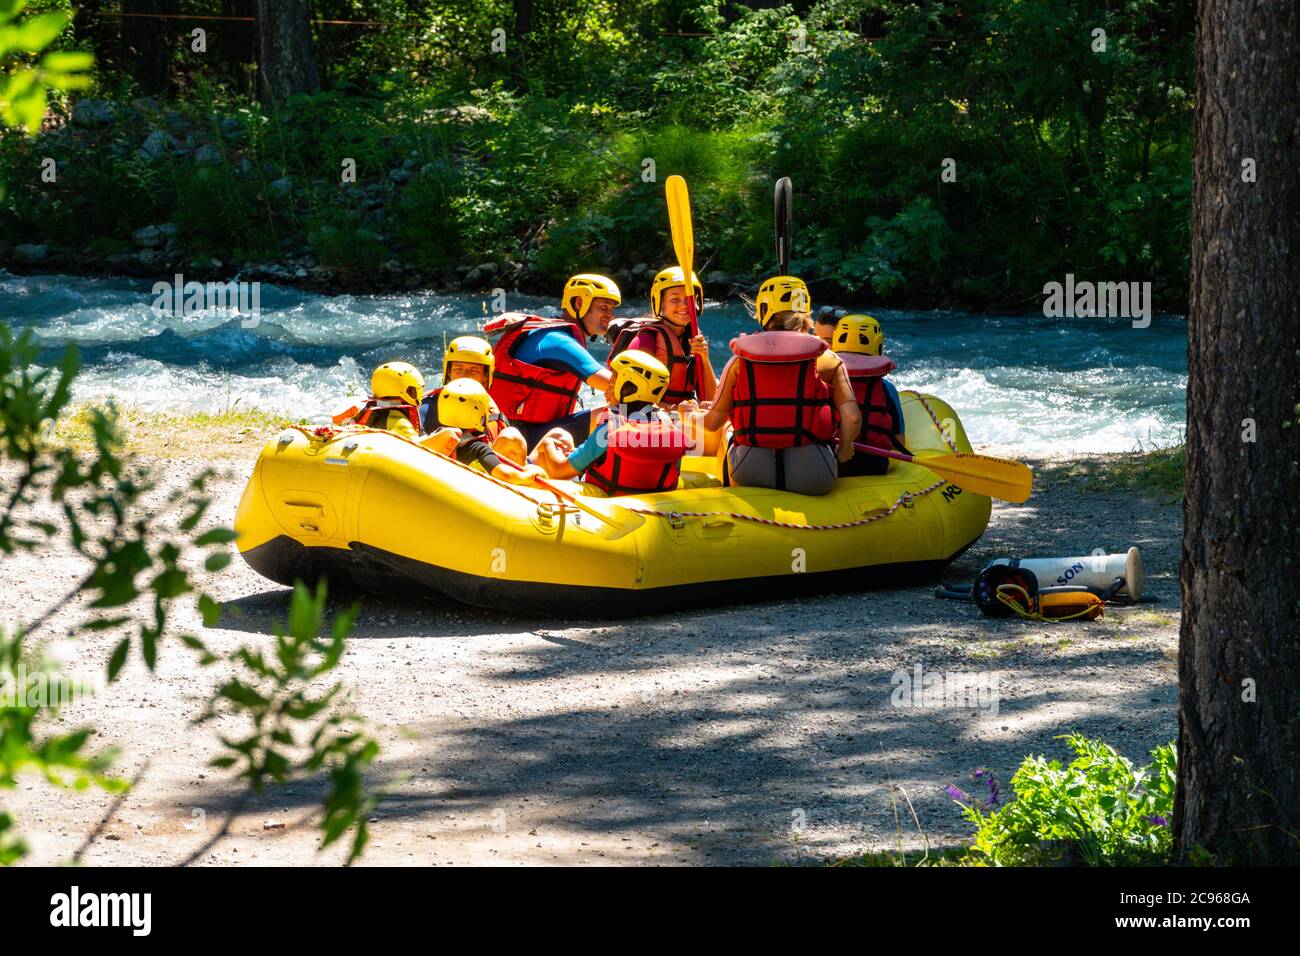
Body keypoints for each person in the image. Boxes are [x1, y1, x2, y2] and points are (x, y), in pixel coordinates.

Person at [701, 276, 861, 495]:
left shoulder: (739, 360)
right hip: (813, 474)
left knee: (729, 433)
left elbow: (713, 423)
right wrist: (845, 446)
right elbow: (852, 417)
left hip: (749, 473)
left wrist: (691, 417)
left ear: (764, 311)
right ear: (806, 311)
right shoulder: (827, 359)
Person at [484, 273, 620, 449]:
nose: (611, 315)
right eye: (604, 307)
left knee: (620, 412)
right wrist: (657, 408)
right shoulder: (555, 339)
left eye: (612, 309)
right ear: (579, 303)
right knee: (618, 416)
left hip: (536, 432)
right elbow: (611, 383)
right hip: (518, 437)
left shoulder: (556, 333)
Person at [533, 350, 688, 497]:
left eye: (613, 385)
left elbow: (560, 470)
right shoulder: (668, 424)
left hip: (607, 501)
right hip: (652, 507)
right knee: (562, 435)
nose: (607, 390)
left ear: (629, 388)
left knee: (552, 440)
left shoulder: (609, 429)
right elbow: (674, 475)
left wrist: (547, 445)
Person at [607, 266, 716, 407]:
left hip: (682, 419)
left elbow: (711, 399)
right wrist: (675, 410)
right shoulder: (646, 340)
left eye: (689, 299)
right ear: (660, 303)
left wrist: (704, 359)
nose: (684, 306)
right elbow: (626, 401)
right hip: (644, 420)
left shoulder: (694, 339)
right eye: (675, 299)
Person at [419, 335, 528, 465]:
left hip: (483, 471)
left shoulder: (491, 411)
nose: (464, 376)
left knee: (514, 436)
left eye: (474, 370)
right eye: (458, 369)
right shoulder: (427, 406)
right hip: (436, 471)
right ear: (448, 372)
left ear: (485, 376)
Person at [422, 379, 547, 486]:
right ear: (482, 416)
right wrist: (527, 475)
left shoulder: (436, 435)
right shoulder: (477, 449)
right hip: (469, 493)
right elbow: (505, 475)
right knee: (533, 468)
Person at [828, 313, 908, 477]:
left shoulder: (825, 382)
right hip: (873, 465)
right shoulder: (887, 388)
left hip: (833, 461)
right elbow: (900, 441)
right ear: (878, 345)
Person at [332, 361, 425, 440]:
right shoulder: (399, 421)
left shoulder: (369, 408)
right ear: (405, 392)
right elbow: (421, 448)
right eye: (414, 390)